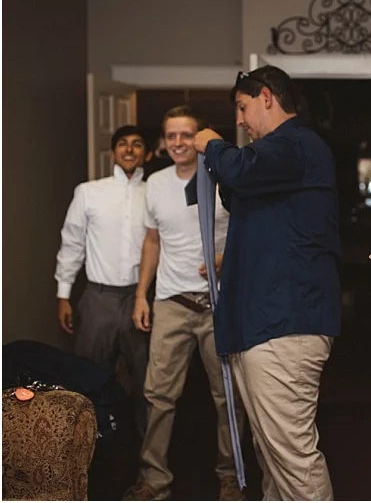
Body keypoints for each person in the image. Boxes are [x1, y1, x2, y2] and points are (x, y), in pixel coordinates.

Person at [193, 66, 341, 501]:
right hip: (264, 323)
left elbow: (240, 170)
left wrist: (212, 144)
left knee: (291, 456)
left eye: (242, 108)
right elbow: (243, 193)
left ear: (267, 97)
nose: (240, 120)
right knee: (272, 454)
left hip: (285, 325)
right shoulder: (276, 160)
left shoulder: (296, 144)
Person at [123, 105, 244, 502]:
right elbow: (152, 241)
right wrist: (141, 295)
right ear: (164, 141)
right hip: (171, 303)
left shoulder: (224, 177)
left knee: (227, 396)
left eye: (186, 135)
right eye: (171, 135)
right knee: (157, 396)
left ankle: (230, 475)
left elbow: (250, 230)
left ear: (200, 137)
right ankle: (154, 480)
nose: (178, 143)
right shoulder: (155, 184)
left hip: (219, 304)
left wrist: (227, 258)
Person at [55, 125, 152, 437]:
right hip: (98, 298)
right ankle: (90, 445)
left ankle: (146, 451)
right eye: (122, 144)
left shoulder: (155, 194)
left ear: (147, 154)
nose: (129, 149)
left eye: (137, 144)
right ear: (112, 153)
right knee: (89, 376)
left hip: (142, 298)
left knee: (148, 381)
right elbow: (72, 244)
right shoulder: (88, 192)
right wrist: (63, 295)